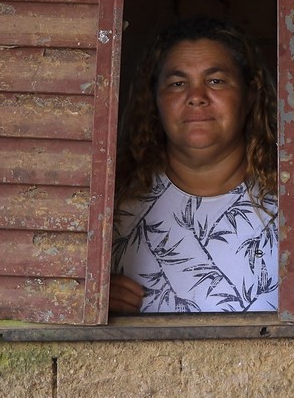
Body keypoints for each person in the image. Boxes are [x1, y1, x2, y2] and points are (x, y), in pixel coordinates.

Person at [110, 17, 279, 313]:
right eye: (178, 83)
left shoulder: (287, 206)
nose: (196, 97)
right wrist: (93, 300)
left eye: (216, 81)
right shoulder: (112, 210)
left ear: (250, 94)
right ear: (155, 99)